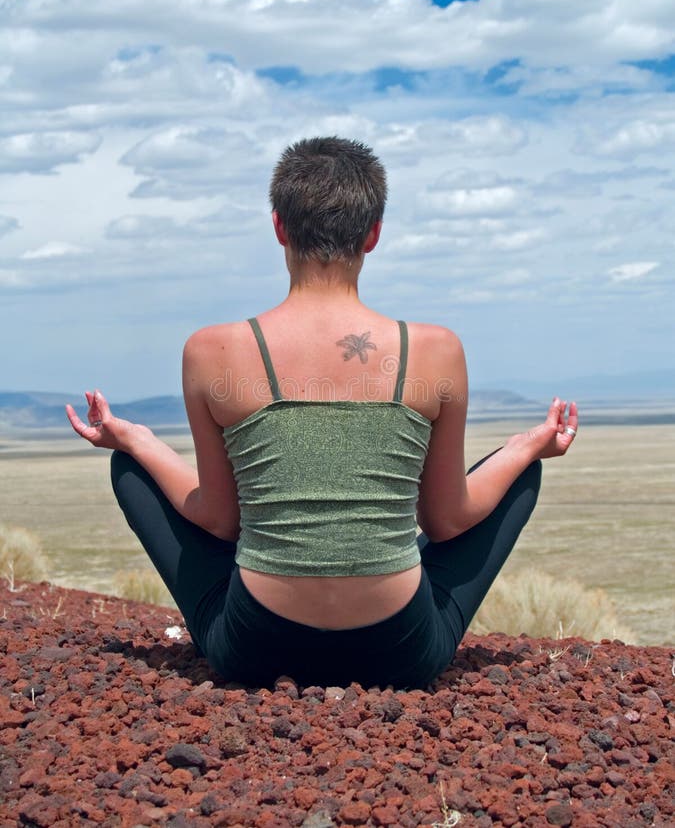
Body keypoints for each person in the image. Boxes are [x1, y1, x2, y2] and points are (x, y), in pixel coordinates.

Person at [66, 136, 578, 689]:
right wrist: (527, 445)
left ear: (279, 228)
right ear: (374, 235)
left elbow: (220, 519)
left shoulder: (210, 351)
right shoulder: (435, 350)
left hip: (257, 651)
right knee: (516, 473)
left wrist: (137, 439)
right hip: (399, 654)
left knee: (131, 469)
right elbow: (447, 520)